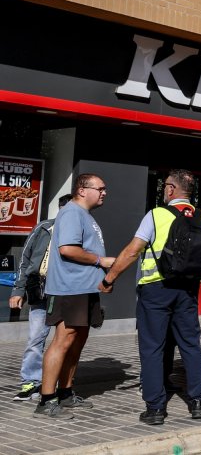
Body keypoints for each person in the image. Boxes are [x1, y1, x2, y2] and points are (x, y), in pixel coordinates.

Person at [100, 170, 201, 425]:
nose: (164, 190)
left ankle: (155, 408)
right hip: (187, 290)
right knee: (190, 344)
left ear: (171, 189)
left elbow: (132, 251)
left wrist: (110, 278)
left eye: (165, 187)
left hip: (156, 289)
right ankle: (198, 402)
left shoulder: (156, 215)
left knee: (152, 347)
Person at [35, 175, 115, 419]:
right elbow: (67, 249)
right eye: (99, 188)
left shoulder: (85, 215)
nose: (104, 193)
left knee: (77, 340)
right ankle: (46, 400)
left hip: (86, 288)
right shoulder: (71, 212)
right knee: (64, 340)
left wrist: (101, 278)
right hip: (70, 288)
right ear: (82, 190)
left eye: (105, 188)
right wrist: (100, 261)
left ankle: (65, 393)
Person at [10, 194, 73, 402]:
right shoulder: (44, 228)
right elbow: (25, 260)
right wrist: (18, 290)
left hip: (65, 292)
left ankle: (58, 384)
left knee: (64, 340)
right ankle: (31, 382)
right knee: (36, 338)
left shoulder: (80, 231)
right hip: (41, 289)